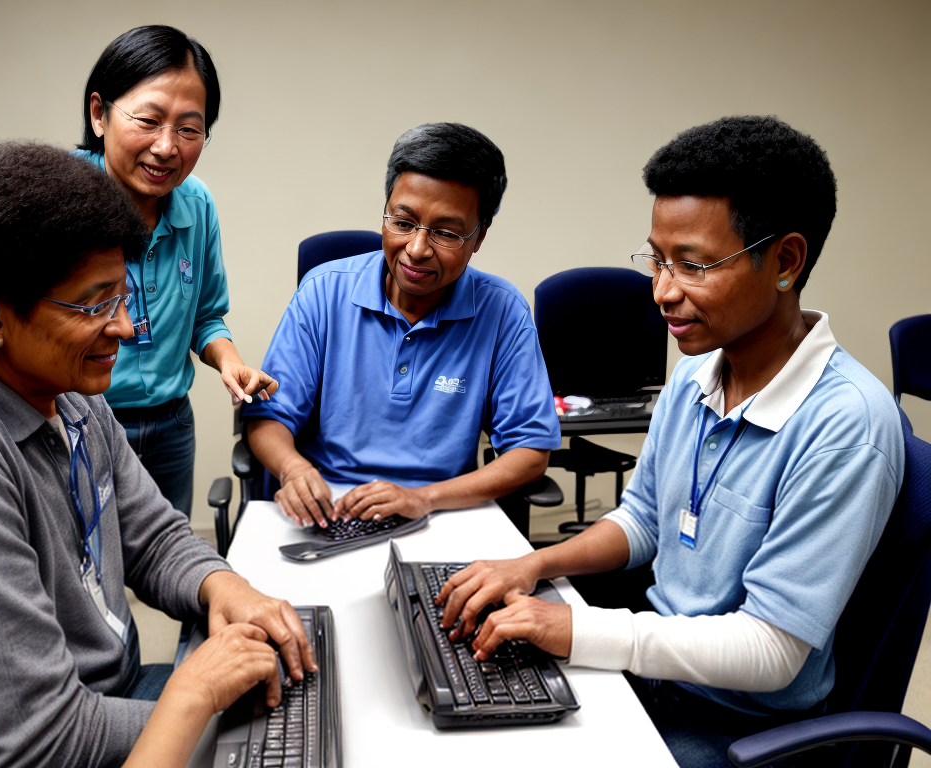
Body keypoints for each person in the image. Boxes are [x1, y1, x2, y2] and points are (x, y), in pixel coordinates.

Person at [437, 116, 905, 767]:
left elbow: (770, 650)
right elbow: (644, 521)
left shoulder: (846, 424)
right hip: (652, 682)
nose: (661, 291)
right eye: (657, 260)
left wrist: (578, 630)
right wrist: (535, 565)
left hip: (736, 732)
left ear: (785, 261)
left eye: (692, 265)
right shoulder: (691, 379)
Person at [0, 142, 314, 767]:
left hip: (109, 699)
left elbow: (152, 537)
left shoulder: (67, 391)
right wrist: (202, 694)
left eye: (122, 298)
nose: (124, 328)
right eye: (95, 304)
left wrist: (224, 585)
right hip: (51, 745)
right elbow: (39, 743)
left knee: (308, 707)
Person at [241, 122, 561, 527]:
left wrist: (423, 499)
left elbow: (531, 450)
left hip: (442, 509)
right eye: (403, 222)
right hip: (330, 506)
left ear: (478, 238)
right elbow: (270, 417)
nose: (416, 249)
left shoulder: (502, 312)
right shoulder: (323, 291)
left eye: (445, 233)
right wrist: (293, 469)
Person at [74, 25, 276, 517]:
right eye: (148, 120)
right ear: (99, 114)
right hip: (83, 422)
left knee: (170, 565)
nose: (167, 147)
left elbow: (206, 316)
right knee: (82, 577)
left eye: (188, 129)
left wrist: (230, 362)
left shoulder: (197, 203)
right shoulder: (60, 199)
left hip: (170, 426)